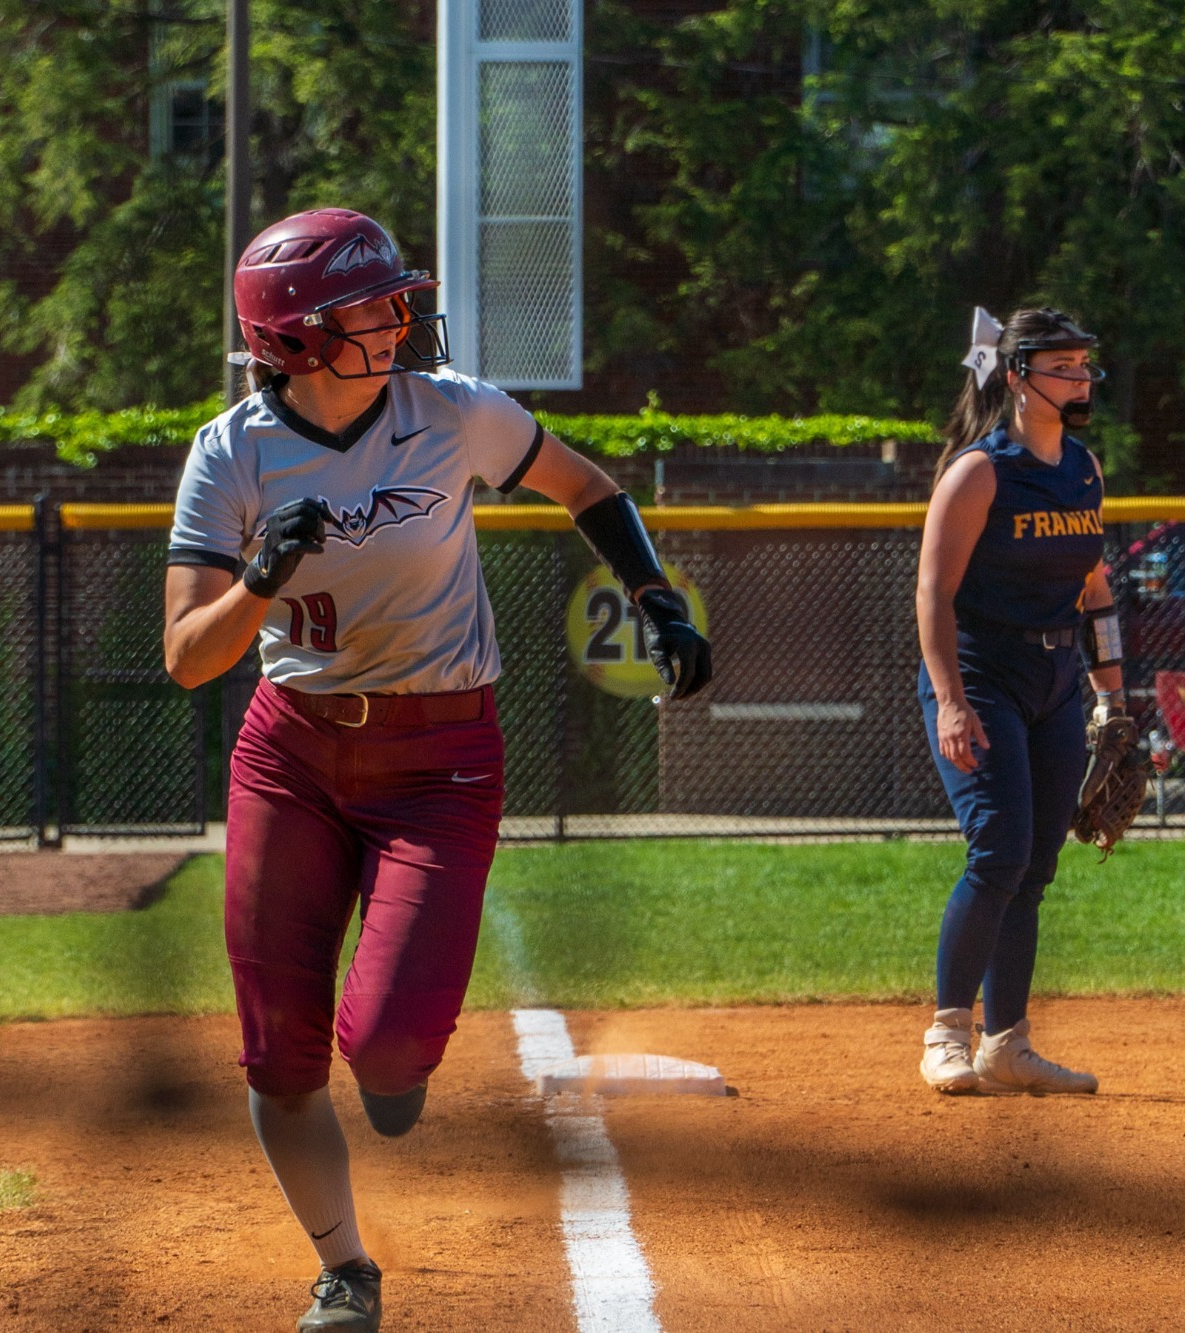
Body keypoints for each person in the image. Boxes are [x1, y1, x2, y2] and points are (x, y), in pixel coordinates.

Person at [164, 207, 712, 1331]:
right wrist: (260, 578)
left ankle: (394, 1064)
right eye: (371, 307)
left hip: (439, 755)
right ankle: (343, 1269)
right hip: (293, 756)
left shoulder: (450, 411)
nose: (401, 317)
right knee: (278, 1056)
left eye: (398, 299)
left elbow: (587, 486)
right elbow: (186, 658)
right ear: (295, 339)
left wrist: (654, 594)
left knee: (391, 1044)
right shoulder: (231, 452)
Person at [916, 306, 1122, 1096]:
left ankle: (1007, 1042)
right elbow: (932, 594)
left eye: (1084, 364)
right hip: (981, 680)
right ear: (1019, 377)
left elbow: (1093, 589)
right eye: (1063, 365)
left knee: (1035, 866)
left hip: (1055, 683)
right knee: (998, 849)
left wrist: (1115, 702)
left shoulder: (1084, 469)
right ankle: (946, 1032)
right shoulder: (980, 471)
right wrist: (949, 701)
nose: (1081, 377)